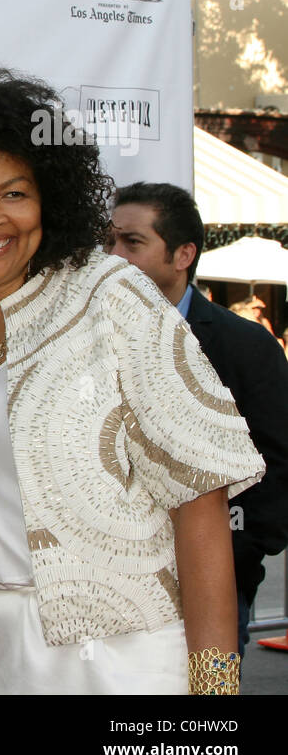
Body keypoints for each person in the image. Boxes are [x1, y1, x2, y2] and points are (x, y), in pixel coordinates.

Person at [0, 68, 264, 694]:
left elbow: (201, 502)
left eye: (15, 193)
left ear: (50, 201)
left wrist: (213, 695)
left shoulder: (111, 298)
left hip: (122, 662)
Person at [109, 182, 288, 657]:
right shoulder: (81, 340)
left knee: (203, 707)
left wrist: (238, 552)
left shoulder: (246, 347)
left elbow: (276, 461)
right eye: (108, 241)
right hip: (107, 586)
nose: (113, 255)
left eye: (132, 242)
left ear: (182, 254)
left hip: (215, 579)